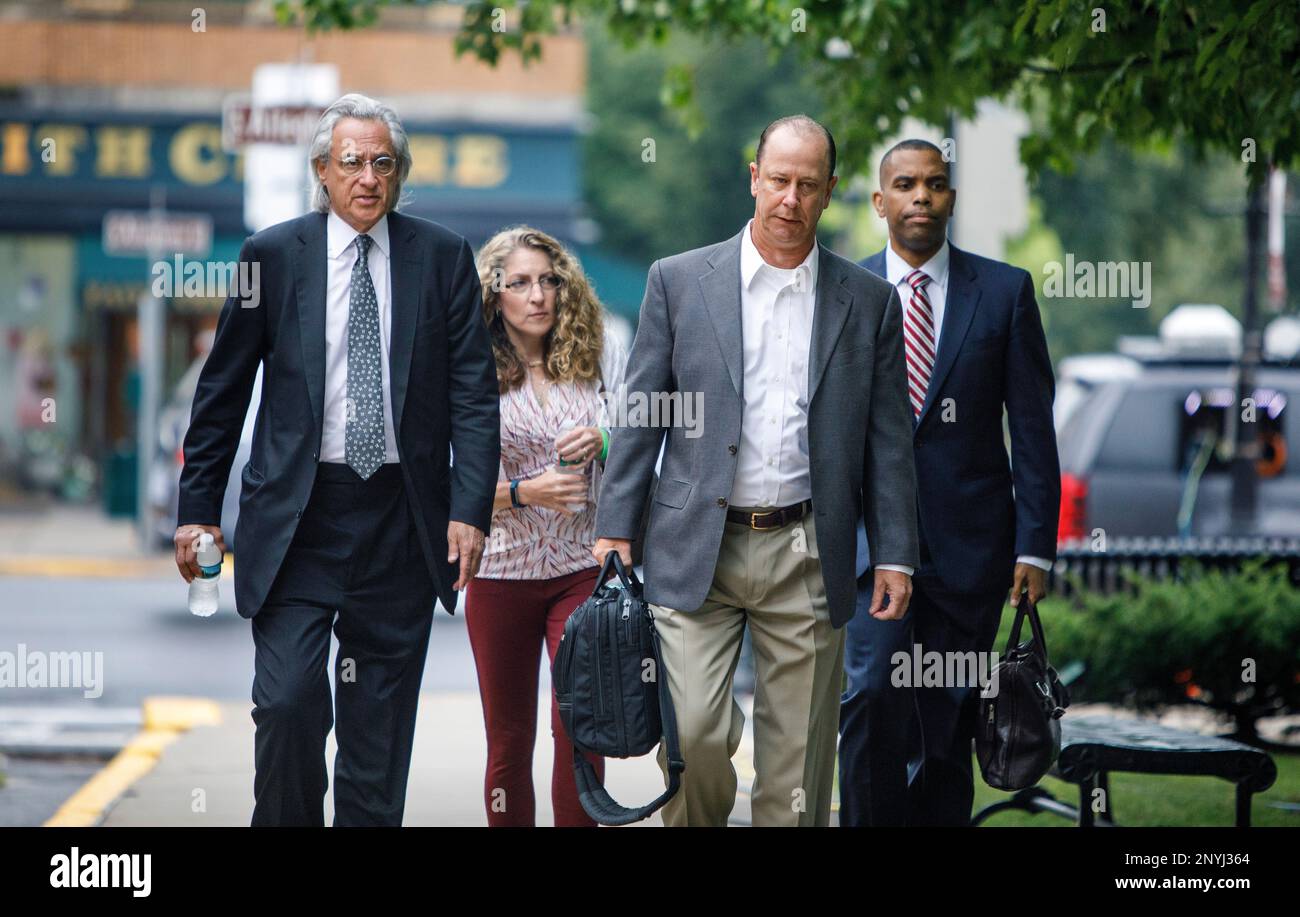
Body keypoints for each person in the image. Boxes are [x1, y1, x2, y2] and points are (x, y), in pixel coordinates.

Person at [173, 93, 500, 827]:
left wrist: (468, 510)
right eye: (351, 162)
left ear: (400, 174)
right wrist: (197, 512)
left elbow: (475, 398)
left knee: (376, 741)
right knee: (287, 706)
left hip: (399, 522)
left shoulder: (442, 258)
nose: (367, 177)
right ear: (322, 169)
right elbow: (221, 395)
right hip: (298, 522)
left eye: (383, 163)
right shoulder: (271, 255)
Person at [593, 115, 919, 827]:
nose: (790, 199)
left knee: (798, 764)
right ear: (754, 178)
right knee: (697, 739)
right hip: (692, 544)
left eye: (807, 184)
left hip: (807, 545)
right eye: (778, 180)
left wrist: (894, 551)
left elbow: (888, 439)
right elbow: (643, 410)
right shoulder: (677, 282)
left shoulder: (868, 302)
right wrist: (616, 522)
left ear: (831, 192)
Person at [837, 138, 1060, 827]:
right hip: (871, 549)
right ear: (880, 201)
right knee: (871, 697)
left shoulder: (1003, 291)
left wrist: (1035, 547)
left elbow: (1031, 430)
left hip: (969, 553)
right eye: (905, 184)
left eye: (934, 184)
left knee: (945, 727)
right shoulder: (843, 293)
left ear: (950, 199)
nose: (921, 197)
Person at [465, 226, 627, 827]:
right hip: (500, 575)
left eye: (549, 280)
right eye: (520, 283)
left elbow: (645, 438)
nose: (538, 295)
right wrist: (520, 492)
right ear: (495, 293)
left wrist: (605, 438)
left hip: (583, 572)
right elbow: (442, 488)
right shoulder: (470, 367)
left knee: (583, 728)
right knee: (508, 740)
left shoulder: (599, 353)